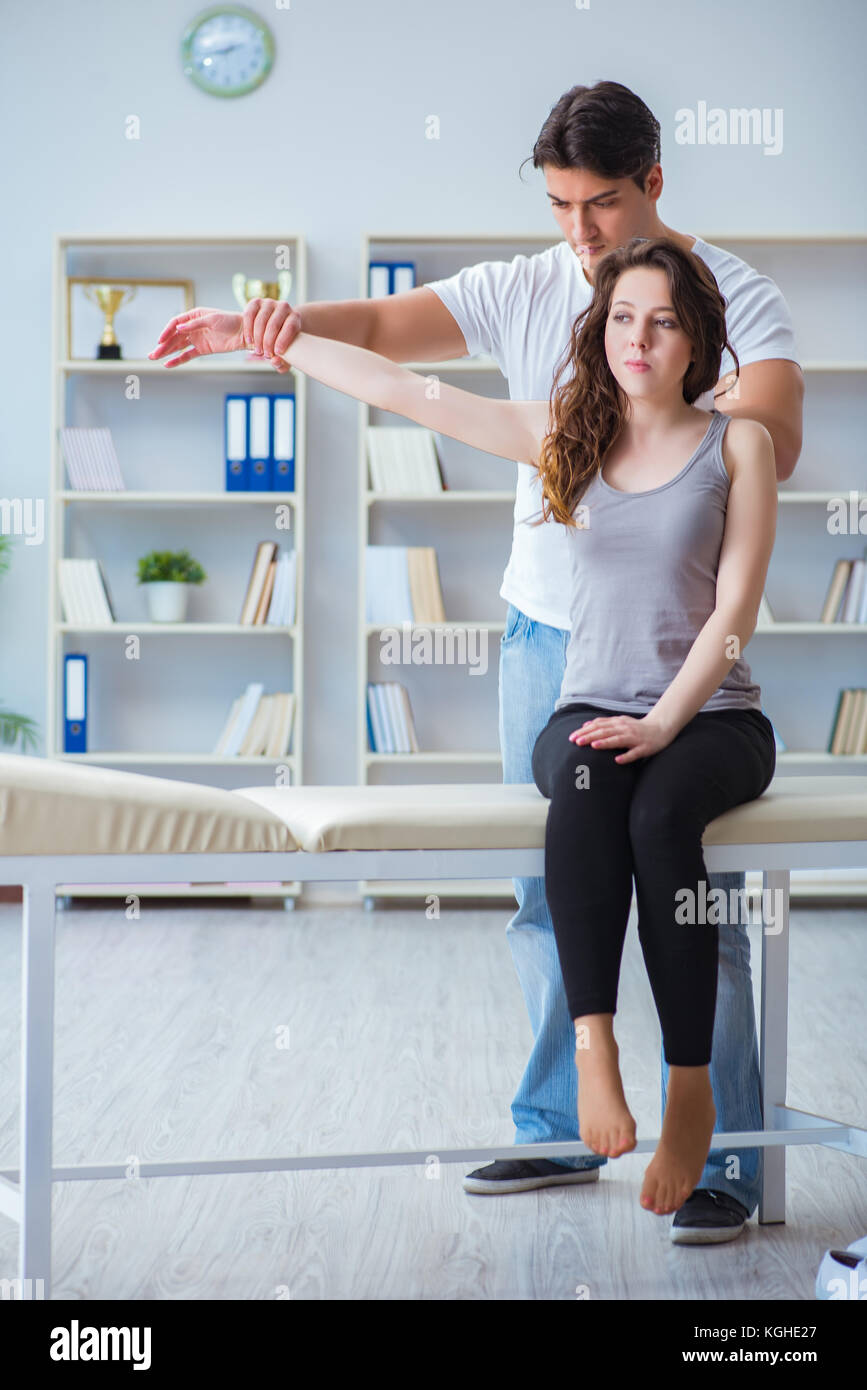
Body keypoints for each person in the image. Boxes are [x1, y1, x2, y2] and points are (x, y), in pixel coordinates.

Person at [149, 79, 804, 1243]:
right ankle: (560, 1122)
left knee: (688, 873)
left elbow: (769, 445)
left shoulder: (731, 308)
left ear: (655, 181)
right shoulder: (537, 310)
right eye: (559, 204)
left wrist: (678, 399)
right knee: (550, 884)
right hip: (552, 639)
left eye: (601, 203)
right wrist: (266, 327)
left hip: (692, 663)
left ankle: (725, 1151)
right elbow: (397, 355)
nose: (580, 232)